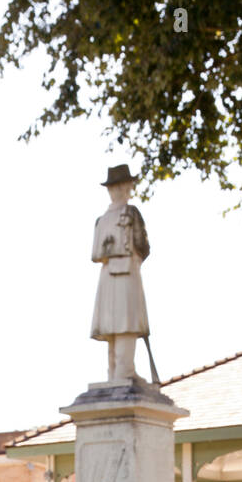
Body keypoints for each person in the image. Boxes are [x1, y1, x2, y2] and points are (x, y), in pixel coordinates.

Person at [90, 163, 150, 382]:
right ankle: (121, 372)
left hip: (109, 275)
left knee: (117, 324)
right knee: (123, 322)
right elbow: (143, 245)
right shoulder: (131, 214)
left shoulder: (101, 220)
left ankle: (118, 372)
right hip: (126, 272)